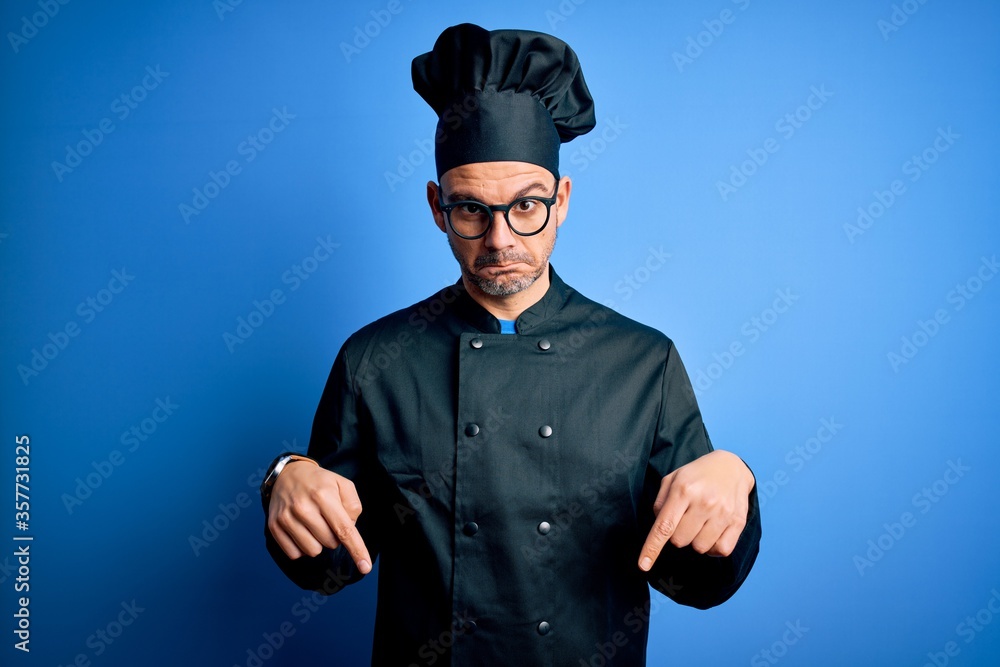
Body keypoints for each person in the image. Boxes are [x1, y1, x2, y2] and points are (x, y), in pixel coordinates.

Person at [260, 23, 761, 666]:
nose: (499, 240)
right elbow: (328, 568)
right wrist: (284, 480)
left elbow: (695, 579)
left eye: (526, 206)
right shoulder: (374, 361)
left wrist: (736, 486)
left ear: (563, 200)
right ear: (437, 206)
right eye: (472, 210)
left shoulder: (644, 362)